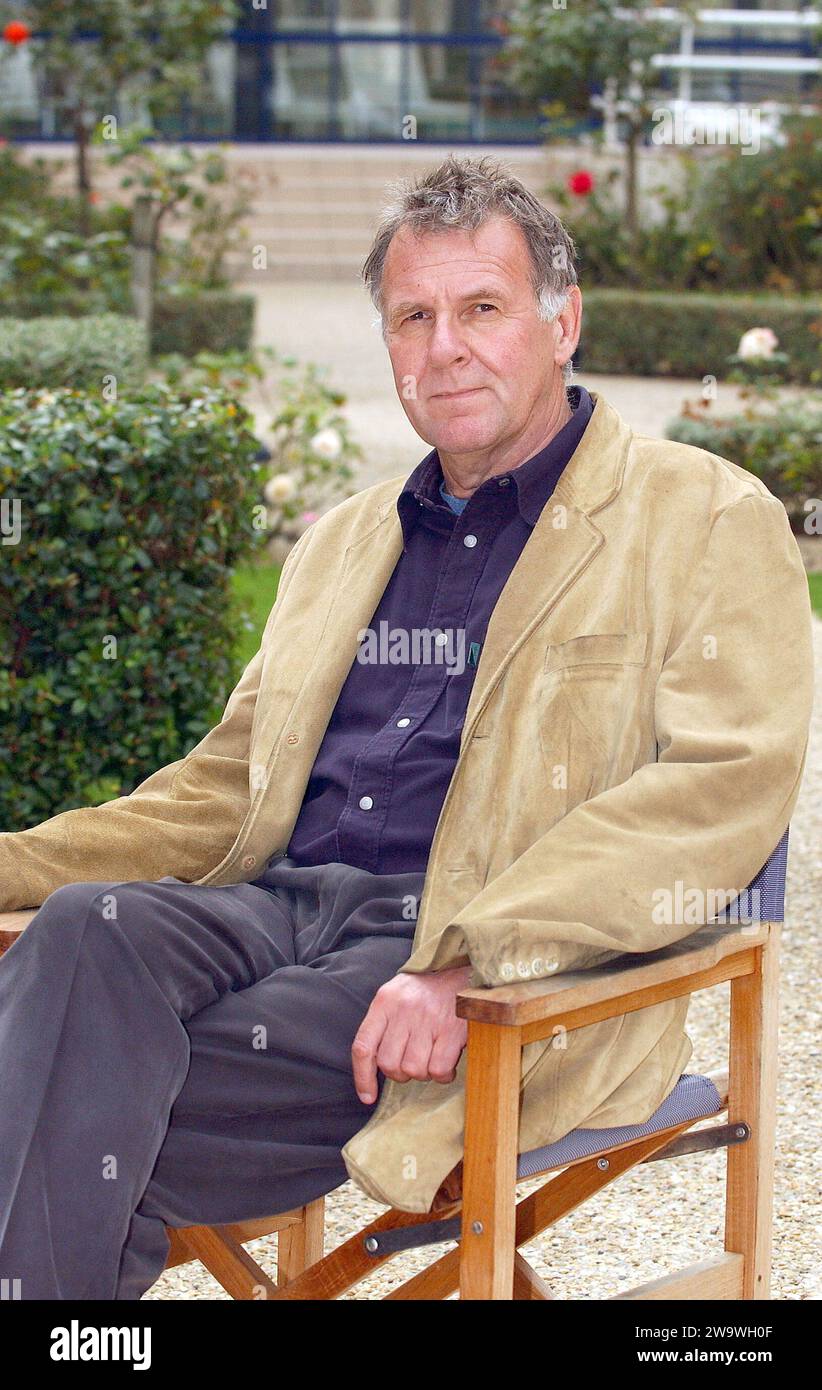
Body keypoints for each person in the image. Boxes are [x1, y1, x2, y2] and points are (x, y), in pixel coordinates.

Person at [0, 155, 814, 1299]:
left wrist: (467, 958)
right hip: (277, 910)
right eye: (413, 317)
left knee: (54, 1083)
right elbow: (224, 786)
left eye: (483, 308)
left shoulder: (704, 518)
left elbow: (717, 794)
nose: (445, 347)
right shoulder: (341, 543)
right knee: (82, 930)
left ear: (563, 320)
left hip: (460, 957)